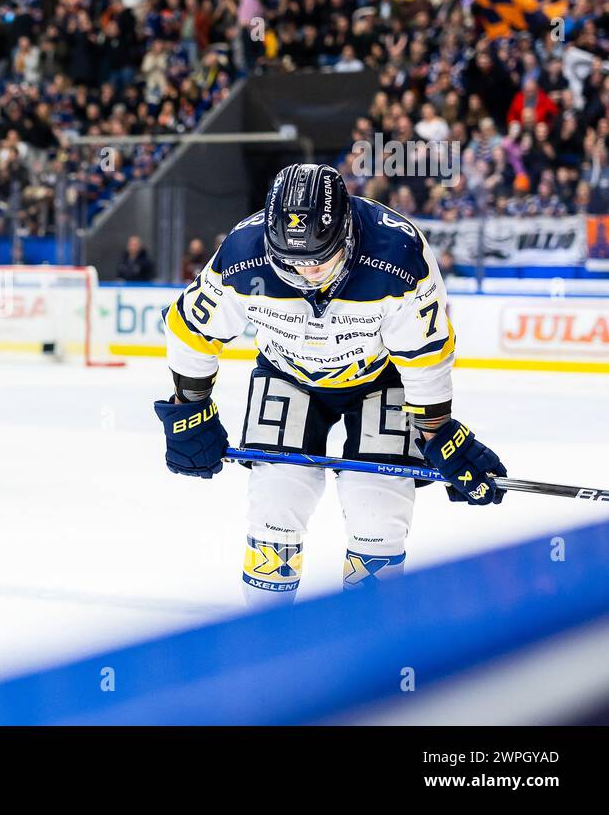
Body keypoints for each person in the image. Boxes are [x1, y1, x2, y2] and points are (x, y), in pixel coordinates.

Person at [156, 164, 507, 604]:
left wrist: (439, 435)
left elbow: (425, 355)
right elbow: (190, 331)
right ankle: (270, 639)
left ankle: (371, 639)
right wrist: (190, 409)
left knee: (377, 508)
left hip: (380, 378)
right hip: (287, 371)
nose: (308, 275)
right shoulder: (241, 254)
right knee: (275, 502)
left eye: (321, 260)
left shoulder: (398, 255)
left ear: (346, 234)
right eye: (292, 264)